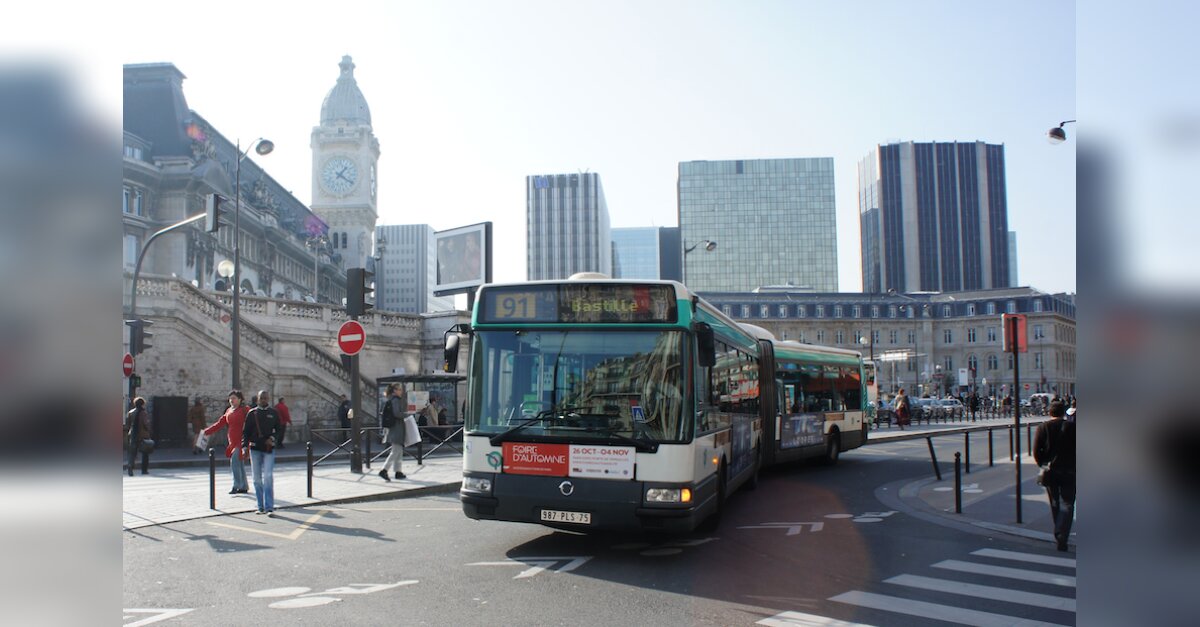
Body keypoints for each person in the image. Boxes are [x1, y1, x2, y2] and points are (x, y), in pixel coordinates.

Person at [1034, 400, 1077, 552]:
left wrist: (1043, 465)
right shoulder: (1073, 428)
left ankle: (1059, 532)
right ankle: (1062, 533)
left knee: (1054, 501)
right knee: (1068, 503)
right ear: (1063, 412)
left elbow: (1036, 451)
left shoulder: (1043, 427)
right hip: (1071, 471)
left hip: (1051, 471)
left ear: (1050, 412)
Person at [203, 390, 250, 495]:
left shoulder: (245, 410)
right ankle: (244, 486)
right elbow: (220, 423)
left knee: (234, 462)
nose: (231, 400)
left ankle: (236, 485)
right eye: (230, 398)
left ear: (240, 399)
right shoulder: (229, 410)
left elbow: (252, 422)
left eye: (234, 398)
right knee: (240, 464)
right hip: (232, 441)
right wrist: (207, 431)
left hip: (241, 441)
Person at [243, 390, 282, 516]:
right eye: (262, 398)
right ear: (258, 399)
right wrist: (244, 447)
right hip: (255, 449)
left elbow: (279, 429)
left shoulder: (273, 413)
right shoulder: (252, 413)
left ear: (269, 398)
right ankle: (260, 506)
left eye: (266, 397)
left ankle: (269, 507)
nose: (264, 400)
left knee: (268, 477)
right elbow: (246, 432)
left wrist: (273, 438)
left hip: (268, 449)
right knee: (257, 479)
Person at [379, 383, 407, 481]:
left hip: (396, 428)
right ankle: (384, 470)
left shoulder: (392, 400)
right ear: (395, 390)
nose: (401, 391)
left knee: (399, 451)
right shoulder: (395, 400)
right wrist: (407, 415)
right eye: (399, 389)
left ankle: (398, 471)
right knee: (396, 451)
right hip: (396, 428)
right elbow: (397, 413)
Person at [125, 397, 152, 476]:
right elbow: (146, 424)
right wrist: (149, 431)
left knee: (132, 452)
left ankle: (130, 466)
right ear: (142, 404)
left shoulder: (130, 412)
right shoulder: (143, 413)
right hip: (142, 434)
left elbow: (128, 424)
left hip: (133, 434)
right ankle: (144, 469)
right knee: (145, 452)